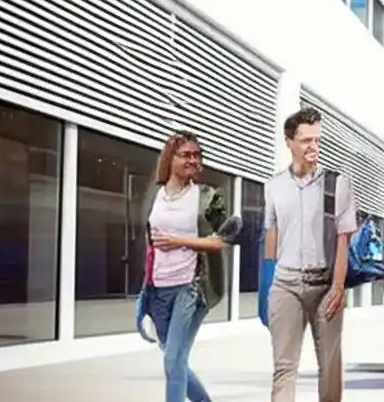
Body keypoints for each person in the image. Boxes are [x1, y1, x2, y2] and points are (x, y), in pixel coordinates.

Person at [261, 108, 359, 402]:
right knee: (283, 368)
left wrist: (339, 286)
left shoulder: (337, 184)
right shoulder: (274, 187)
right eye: (305, 140)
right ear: (289, 141)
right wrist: (267, 284)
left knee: (329, 368)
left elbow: (344, 239)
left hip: (326, 285)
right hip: (285, 285)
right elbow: (272, 234)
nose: (313, 146)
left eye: (317, 140)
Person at [135, 130, 240, 402]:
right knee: (176, 360)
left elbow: (223, 240)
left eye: (197, 155)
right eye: (187, 155)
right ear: (170, 158)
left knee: (172, 361)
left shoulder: (207, 196)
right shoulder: (155, 195)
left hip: (191, 288)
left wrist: (179, 240)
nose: (193, 160)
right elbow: (150, 242)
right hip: (157, 289)